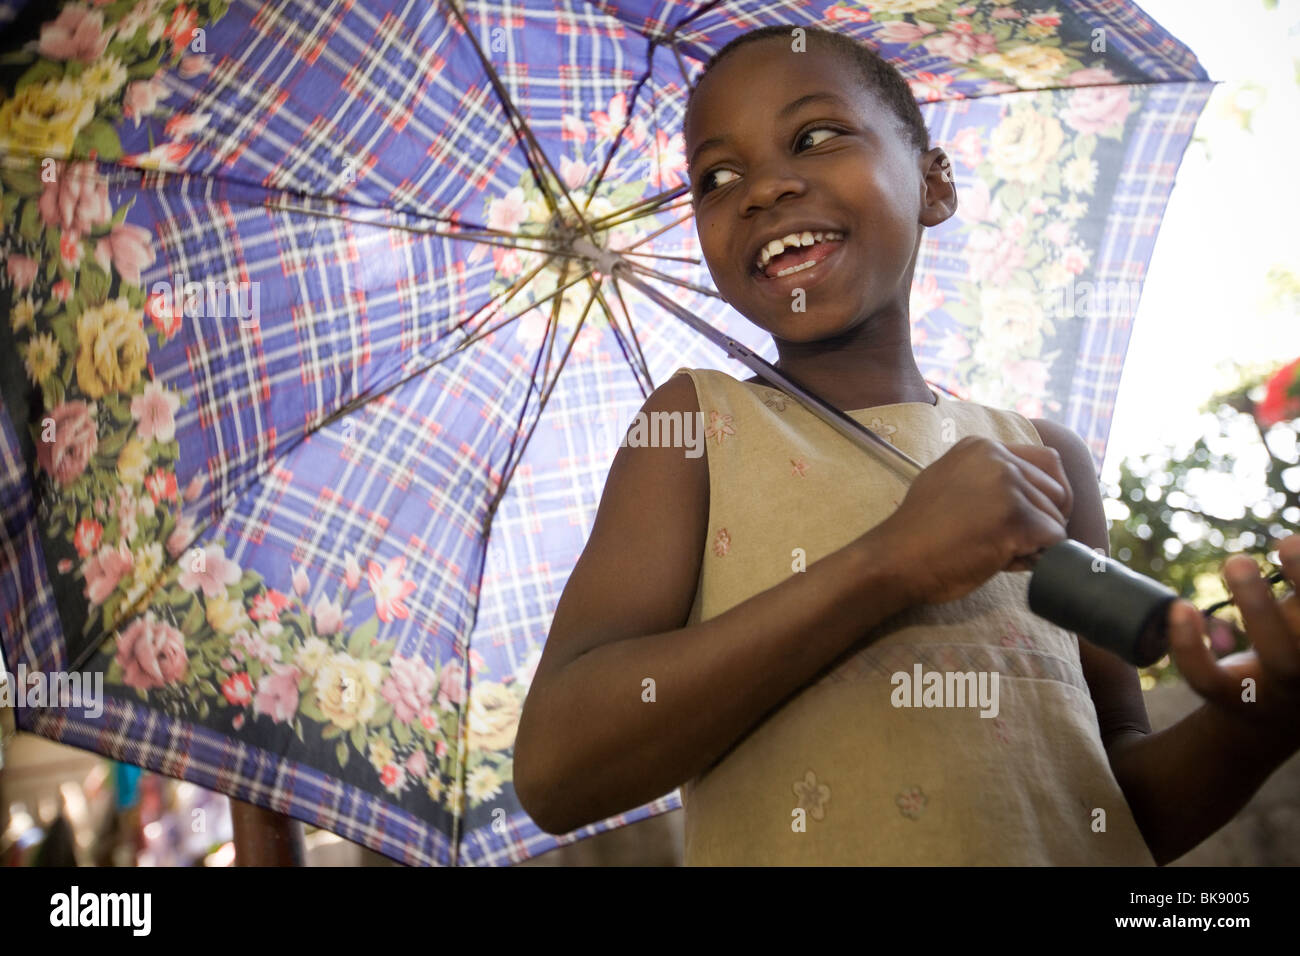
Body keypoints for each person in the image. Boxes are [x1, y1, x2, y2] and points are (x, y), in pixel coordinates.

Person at [513, 25, 1300, 865]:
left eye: (814, 136)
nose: (763, 189)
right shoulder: (694, 429)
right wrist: (887, 562)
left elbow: (1114, 801)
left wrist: (1261, 728)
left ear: (933, 183)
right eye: (717, 176)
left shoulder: (1046, 459)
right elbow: (558, 768)